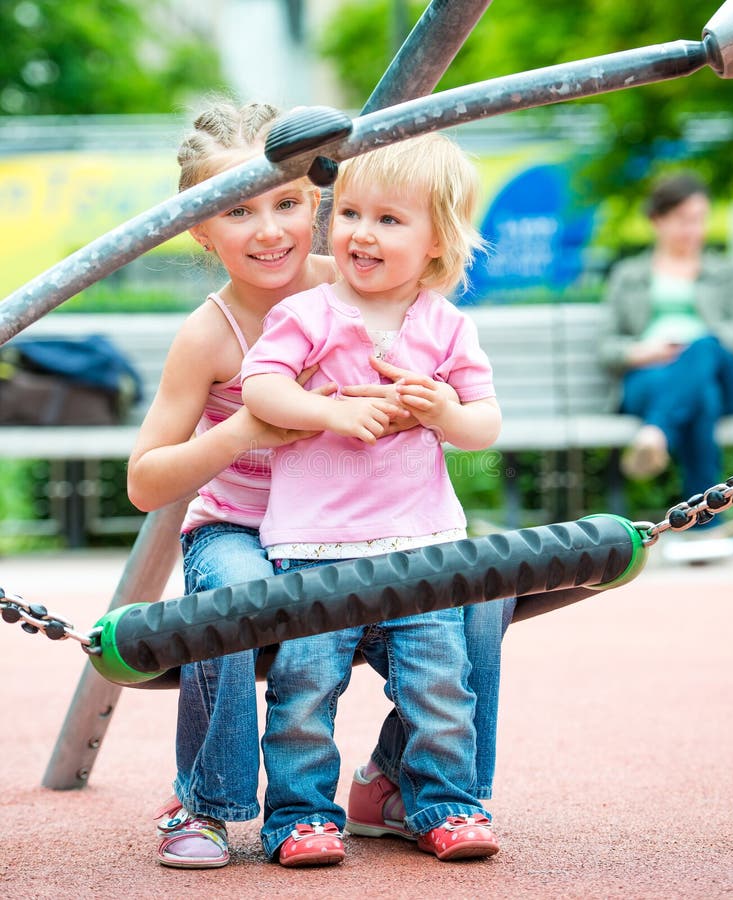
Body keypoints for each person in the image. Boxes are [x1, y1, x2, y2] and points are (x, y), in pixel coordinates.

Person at [127, 101, 515, 869]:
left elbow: (447, 357)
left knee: (483, 589)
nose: (269, 229)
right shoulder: (212, 333)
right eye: (238, 211)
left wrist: (434, 406)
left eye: (288, 203)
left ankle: (402, 782)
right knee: (231, 598)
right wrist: (244, 428)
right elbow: (145, 482)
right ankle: (208, 803)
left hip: (361, 524)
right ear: (202, 229)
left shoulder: (358, 277)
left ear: (316, 202)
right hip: (245, 524)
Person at [241, 132, 503, 866]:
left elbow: (483, 426)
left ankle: (445, 803)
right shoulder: (308, 315)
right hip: (314, 546)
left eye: (390, 220)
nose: (361, 232)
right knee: (301, 690)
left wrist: (443, 411)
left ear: (436, 242)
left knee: (440, 689)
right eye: (351, 213)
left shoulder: (446, 327)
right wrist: (330, 412)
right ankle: (298, 815)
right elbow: (261, 385)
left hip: (420, 544)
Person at [599, 172, 733, 512]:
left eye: (699, 220)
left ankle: (656, 432)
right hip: (650, 378)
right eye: (683, 220)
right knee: (701, 398)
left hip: (723, 375)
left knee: (704, 348)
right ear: (657, 220)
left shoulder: (726, 272)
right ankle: (706, 527)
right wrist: (643, 351)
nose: (693, 230)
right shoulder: (628, 275)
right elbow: (606, 347)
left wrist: (693, 347)